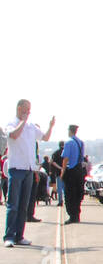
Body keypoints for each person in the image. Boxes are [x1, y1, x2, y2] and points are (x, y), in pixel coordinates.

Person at [4, 99, 55, 247]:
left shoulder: (31, 127)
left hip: (28, 170)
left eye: (30, 109)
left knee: (24, 205)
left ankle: (20, 236)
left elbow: (45, 137)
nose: (29, 112)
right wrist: (22, 121)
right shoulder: (12, 124)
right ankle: (9, 236)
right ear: (19, 108)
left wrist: (51, 126)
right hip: (16, 169)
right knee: (13, 204)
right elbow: (13, 135)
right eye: (27, 109)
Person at [61, 123, 87, 224]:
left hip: (71, 170)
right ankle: (77, 215)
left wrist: (62, 172)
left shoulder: (69, 142)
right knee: (78, 193)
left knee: (69, 194)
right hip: (79, 169)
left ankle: (72, 215)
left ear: (70, 131)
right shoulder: (80, 142)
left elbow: (65, 158)